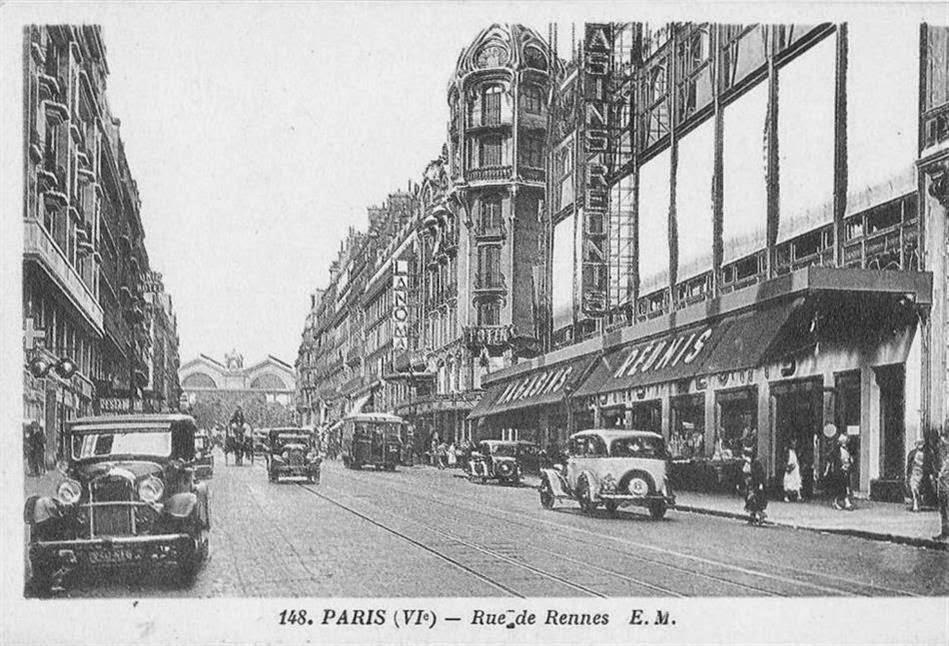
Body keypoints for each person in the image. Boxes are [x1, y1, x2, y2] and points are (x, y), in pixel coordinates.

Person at [825, 433, 855, 511]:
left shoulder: (847, 449)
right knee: (840, 487)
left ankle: (846, 502)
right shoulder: (837, 450)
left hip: (846, 470)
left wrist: (850, 462)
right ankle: (838, 502)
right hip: (839, 471)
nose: (845, 443)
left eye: (846, 441)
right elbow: (830, 459)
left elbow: (849, 459)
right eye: (844, 441)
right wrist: (827, 470)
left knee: (847, 486)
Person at [741, 448, 768, 525]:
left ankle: (760, 515)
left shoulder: (756, 463)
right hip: (749, 484)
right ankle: (752, 518)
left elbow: (760, 475)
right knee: (750, 500)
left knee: (753, 500)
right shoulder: (747, 463)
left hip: (755, 484)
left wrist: (760, 484)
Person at [906, 438, 931, 512]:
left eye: (921, 444)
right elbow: (909, 464)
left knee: (918, 489)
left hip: (921, 474)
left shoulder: (926, 454)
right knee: (914, 488)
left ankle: (917, 503)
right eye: (918, 443)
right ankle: (915, 505)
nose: (919, 445)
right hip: (914, 473)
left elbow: (928, 465)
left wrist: (930, 473)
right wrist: (908, 474)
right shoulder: (912, 453)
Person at [933, 428, 949, 541]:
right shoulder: (945, 460)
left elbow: (943, 474)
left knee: (945, 512)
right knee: (943, 512)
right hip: (943, 489)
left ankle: (945, 533)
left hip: (946, 489)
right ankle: (944, 532)